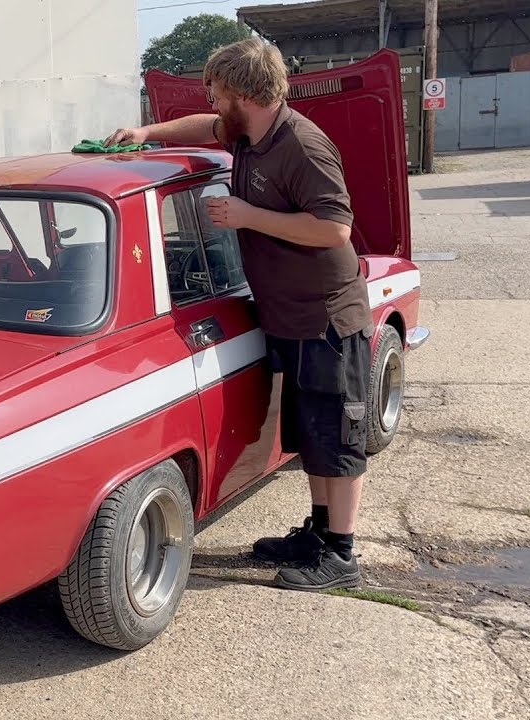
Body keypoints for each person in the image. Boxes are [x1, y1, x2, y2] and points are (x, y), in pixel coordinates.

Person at [104, 37, 371, 591]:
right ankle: (318, 533)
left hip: (327, 317)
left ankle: (341, 554)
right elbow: (206, 126)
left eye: (217, 89)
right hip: (290, 318)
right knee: (311, 435)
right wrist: (147, 134)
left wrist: (249, 215)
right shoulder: (248, 129)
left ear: (245, 94)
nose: (211, 98)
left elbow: (334, 228)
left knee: (338, 437)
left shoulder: (302, 145)